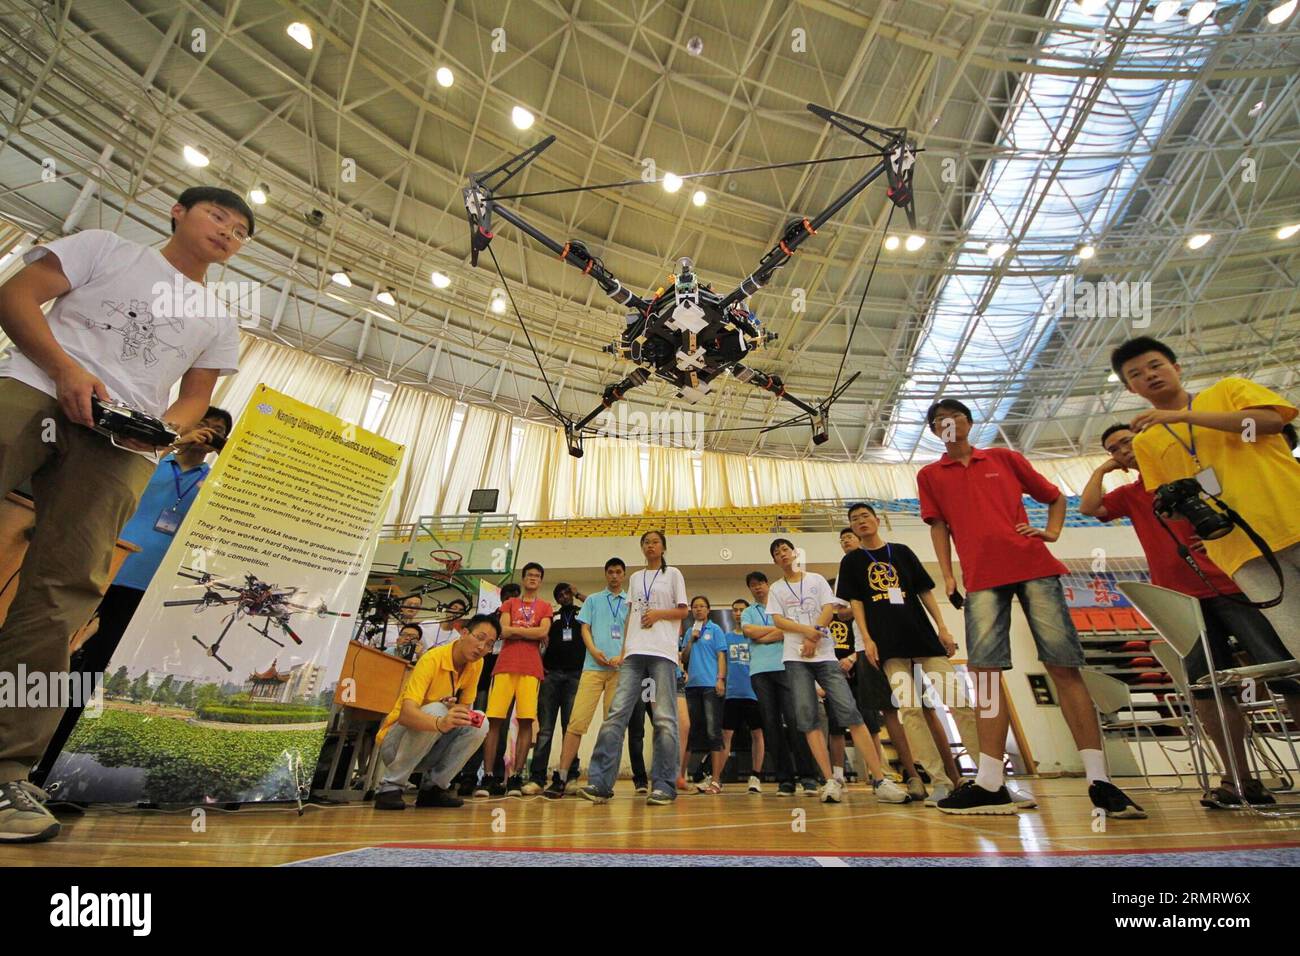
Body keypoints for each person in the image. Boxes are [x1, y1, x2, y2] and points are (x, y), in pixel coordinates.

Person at [0, 185, 252, 843]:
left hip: (121, 446)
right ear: (178, 211)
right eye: (217, 214)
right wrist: (64, 370)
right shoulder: (104, 248)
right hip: (31, 386)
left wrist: (160, 431)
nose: (228, 230)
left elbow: (195, 398)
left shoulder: (219, 318)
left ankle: (5, 772)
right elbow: (15, 297)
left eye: (241, 229)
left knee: (61, 599)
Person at [919, 398, 1145, 818]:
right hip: (982, 577)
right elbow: (939, 526)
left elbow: (1055, 497)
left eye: (954, 418)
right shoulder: (930, 474)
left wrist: (1051, 532)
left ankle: (1100, 781)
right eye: (938, 422)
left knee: (1063, 666)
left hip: (1034, 566)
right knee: (985, 675)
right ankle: (989, 782)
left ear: (969, 421)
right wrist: (948, 576)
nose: (947, 425)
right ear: (934, 432)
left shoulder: (1005, 457)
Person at [1080, 422, 1300, 806]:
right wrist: (1100, 471)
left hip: (1233, 585)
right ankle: (1238, 780)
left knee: (1285, 671)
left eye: (1128, 442)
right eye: (1115, 449)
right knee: (1207, 688)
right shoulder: (1131, 495)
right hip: (1181, 599)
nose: (1123, 451)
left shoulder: (1195, 474)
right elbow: (1089, 508)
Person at [31, 405, 231, 785]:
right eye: (203, 423)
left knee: (91, 674)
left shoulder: (213, 484)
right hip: (99, 572)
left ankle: (50, 772)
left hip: (145, 590)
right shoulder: (151, 459)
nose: (208, 433)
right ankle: (20, 750)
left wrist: (225, 465)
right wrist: (175, 441)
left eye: (217, 430)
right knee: (49, 656)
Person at [1113, 335, 1300, 659]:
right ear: (1131, 389)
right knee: (1295, 635)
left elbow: (1270, 423)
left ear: (1176, 366)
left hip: (1291, 518)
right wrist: (1176, 510)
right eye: (1136, 374)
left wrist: (1183, 417)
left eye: (1155, 365)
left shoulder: (1227, 390)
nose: (1149, 375)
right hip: (1238, 549)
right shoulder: (1146, 442)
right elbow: (1169, 502)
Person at [839, 504, 982, 807]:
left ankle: (989, 779)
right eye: (854, 520)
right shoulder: (851, 562)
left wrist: (943, 627)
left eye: (865, 517)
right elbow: (856, 602)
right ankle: (940, 782)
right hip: (889, 649)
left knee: (959, 703)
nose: (860, 522)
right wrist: (867, 639)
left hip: (924, 641)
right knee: (911, 711)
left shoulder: (902, 551)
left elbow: (924, 591)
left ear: (877, 521)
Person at [766, 538, 909, 804]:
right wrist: (806, 632)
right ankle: (830, 780)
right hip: (794, 659)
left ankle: (880, 779)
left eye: (785, 549)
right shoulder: (776, 588)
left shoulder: (817, 579)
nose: (782, 554)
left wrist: (813, 637)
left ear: (795, 553)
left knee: (851, 714)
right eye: (777, 553)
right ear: (775, 561)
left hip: (825, 656)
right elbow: (778, 620)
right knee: (808, 719)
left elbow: (828, 610)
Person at [579, 530, 689, 805]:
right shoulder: (637, 578)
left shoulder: (673, 574)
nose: (650, 546)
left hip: (662, 652)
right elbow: (631, 616)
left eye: (655, 541)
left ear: (663, 547)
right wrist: (625, 649)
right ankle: (600, 782)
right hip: (634, 654)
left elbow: (683, 611)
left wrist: (659, 614)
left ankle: (664, 784)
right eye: (646, 542)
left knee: (664, 718)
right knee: (616, 714)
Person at [373, 614, 498, 810]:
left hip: (430, 747)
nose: (482, 647)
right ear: (464, 633)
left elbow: (463, 710)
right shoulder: (432, 658)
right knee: (436, 710)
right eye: (479, 638)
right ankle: (390, 786)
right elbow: (406, 715)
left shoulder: (476, 664)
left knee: (479, 721)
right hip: (395, 746)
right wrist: (441, 719)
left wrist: (453, 710)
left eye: (490, 644)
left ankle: (434, 788)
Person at [545, 559, 632, 798]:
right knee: (576, 723)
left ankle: (604, 783)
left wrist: (622, 655)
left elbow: (631, 632)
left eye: (618, 572)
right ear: (605, 574)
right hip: (592, 668)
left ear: (623, 575)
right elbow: (584, 629)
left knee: (613, 727)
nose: (614, 576)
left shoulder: (631, 602)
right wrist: (594, 651)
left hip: (619, 670)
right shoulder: (593, 600)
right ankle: (561, 777)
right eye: (610, 572)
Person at [477, 563, 552, 798]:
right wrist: (530, 632)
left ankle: (516, 777)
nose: (532, 579)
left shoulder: (545, 606)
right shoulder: (509, 603)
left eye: (537, 576)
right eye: (529, 575)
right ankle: (489, 777)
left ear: (540, 581)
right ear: (523, 579)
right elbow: (503, 631)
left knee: (526, 721)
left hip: (531, 669)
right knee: (495, 721)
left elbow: (542, 633)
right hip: (505, 666)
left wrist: (519, 630)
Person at [741, 571, 817, 795]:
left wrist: (763, 635)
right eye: (753, 585)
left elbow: (788, 630)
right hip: (759, 672)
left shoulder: (781, 606)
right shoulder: (748, 611)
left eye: (761, 583)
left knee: (795, 721)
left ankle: (808, 776)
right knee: (771, 725)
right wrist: (777, 631)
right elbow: (749, 631)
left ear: (768, 584)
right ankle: (785, 779)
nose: (758, 588)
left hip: (785, 667)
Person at [455, 583, 521, 796]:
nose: (511, 598)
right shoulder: (488, 621)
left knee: (500, 729)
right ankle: (469, 775)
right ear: (501, 598)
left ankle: (494, 776)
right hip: (483, 681)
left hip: (507, 679)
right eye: (508, 595)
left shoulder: (521, 624)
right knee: (478, 723)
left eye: (515, 596)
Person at [524, 582, 584, 794]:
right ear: (556, 599)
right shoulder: (551, 617)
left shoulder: (583, 613)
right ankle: (537, 778)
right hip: (551, 675)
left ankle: (570, 777)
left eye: (568, 592)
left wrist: (578, 593)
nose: (565, 596)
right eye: (560, 594)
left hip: (575, 676)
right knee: (545, 730)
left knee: (571, 729)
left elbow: (595, 607)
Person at [681, 596, 729, 794]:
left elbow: (721, 655)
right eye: (695, 607)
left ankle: (716, 780)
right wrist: (691, 640)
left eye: (702, 606)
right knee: (689, 732)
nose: (698, 610)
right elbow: (683, 657)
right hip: (692, 687)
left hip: (711, 686)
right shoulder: (689, 632)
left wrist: (720, 679)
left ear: (708, 610)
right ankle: (680, 778)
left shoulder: (715, 630)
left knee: (713, 732)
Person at [721, 615, 764, 794]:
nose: (738, 613)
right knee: (725, 735)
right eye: (735, 610)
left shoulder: (755, 637)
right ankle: (717, 776)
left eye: (741, 610)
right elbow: (722, 662)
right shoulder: (727, 637)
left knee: (757, 734)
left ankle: (755, 776)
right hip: (732, 693)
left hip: (753, 693)